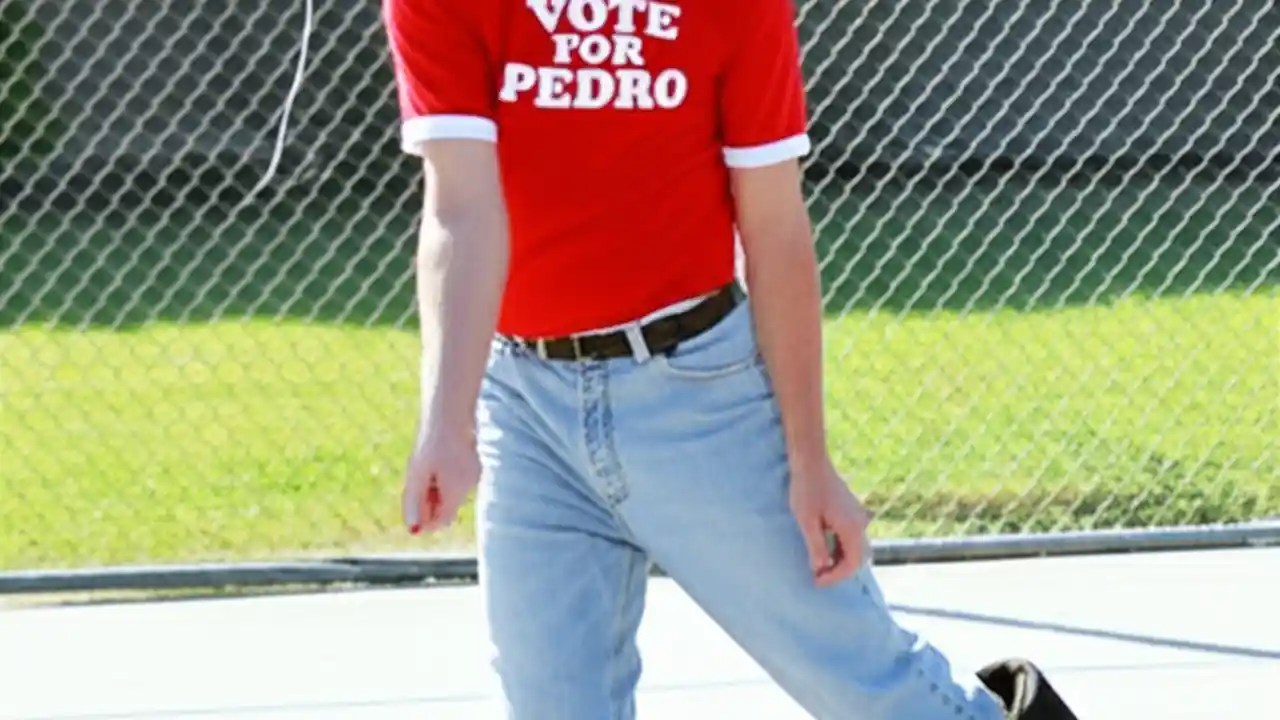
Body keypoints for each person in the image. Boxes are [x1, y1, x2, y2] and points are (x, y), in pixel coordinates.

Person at [381, 0, 1079, 718]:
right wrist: (448, 422)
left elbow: (773, 225)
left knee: (865, 685)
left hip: (695, 394)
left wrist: (811, 463)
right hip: (525, 407)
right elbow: (460, 209)